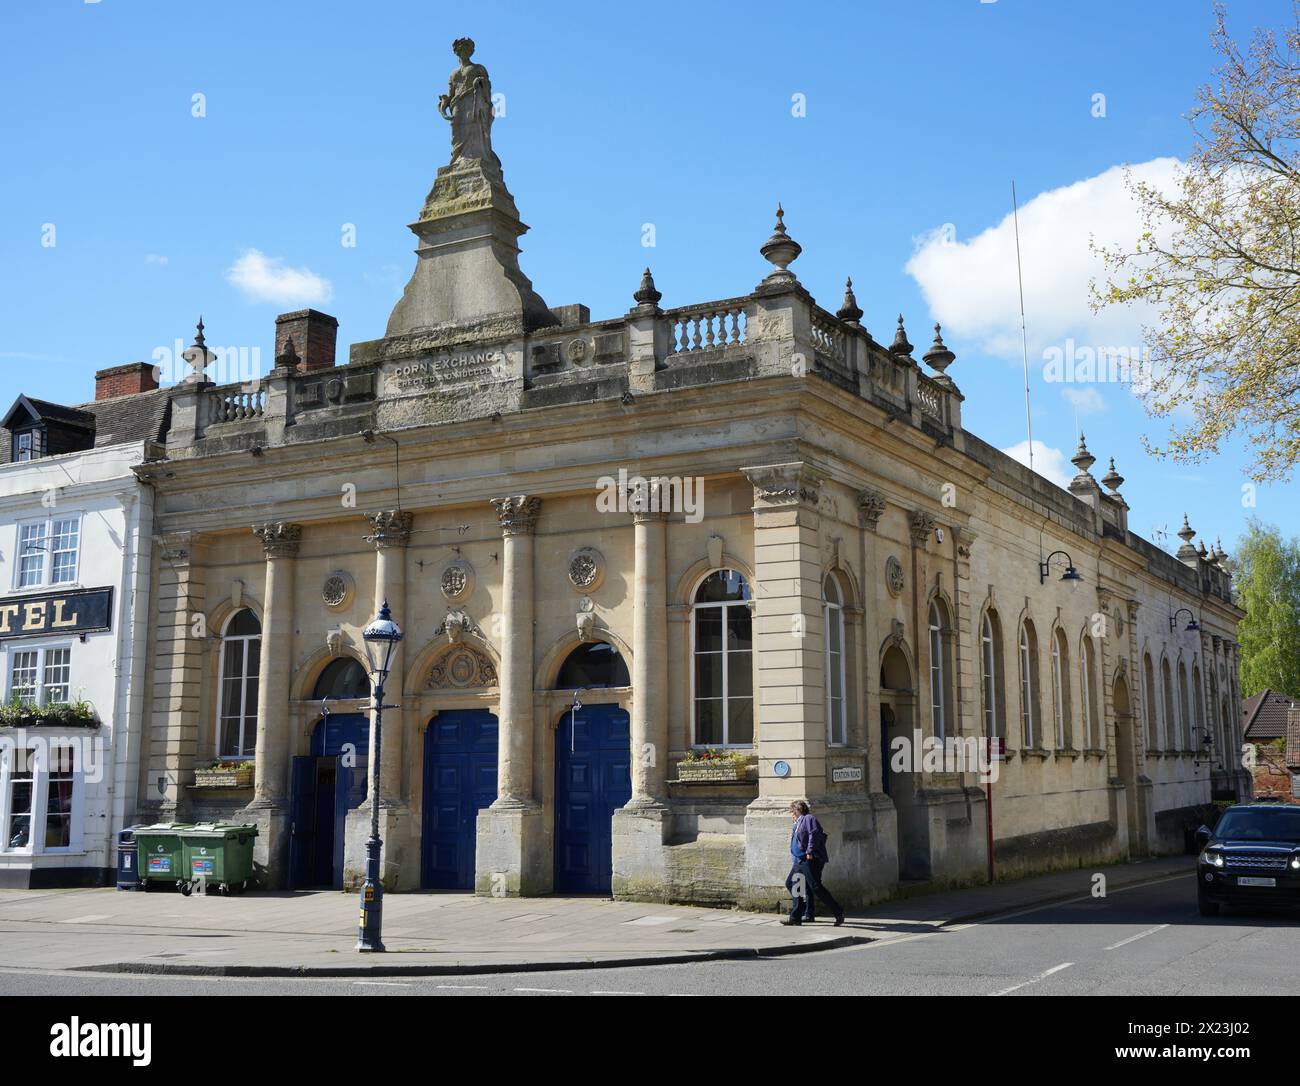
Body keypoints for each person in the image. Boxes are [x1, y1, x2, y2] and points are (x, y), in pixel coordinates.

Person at [781, 800, 844, 926]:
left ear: (798, 810)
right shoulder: (797, 823)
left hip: (809, 859)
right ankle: (796, 917)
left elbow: (813, 834)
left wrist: (809, 851)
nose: (791, 814)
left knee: (816, 887)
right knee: (792, 884)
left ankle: (838, 912)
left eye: (792, 811)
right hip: (799, 860)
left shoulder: (809, 818)